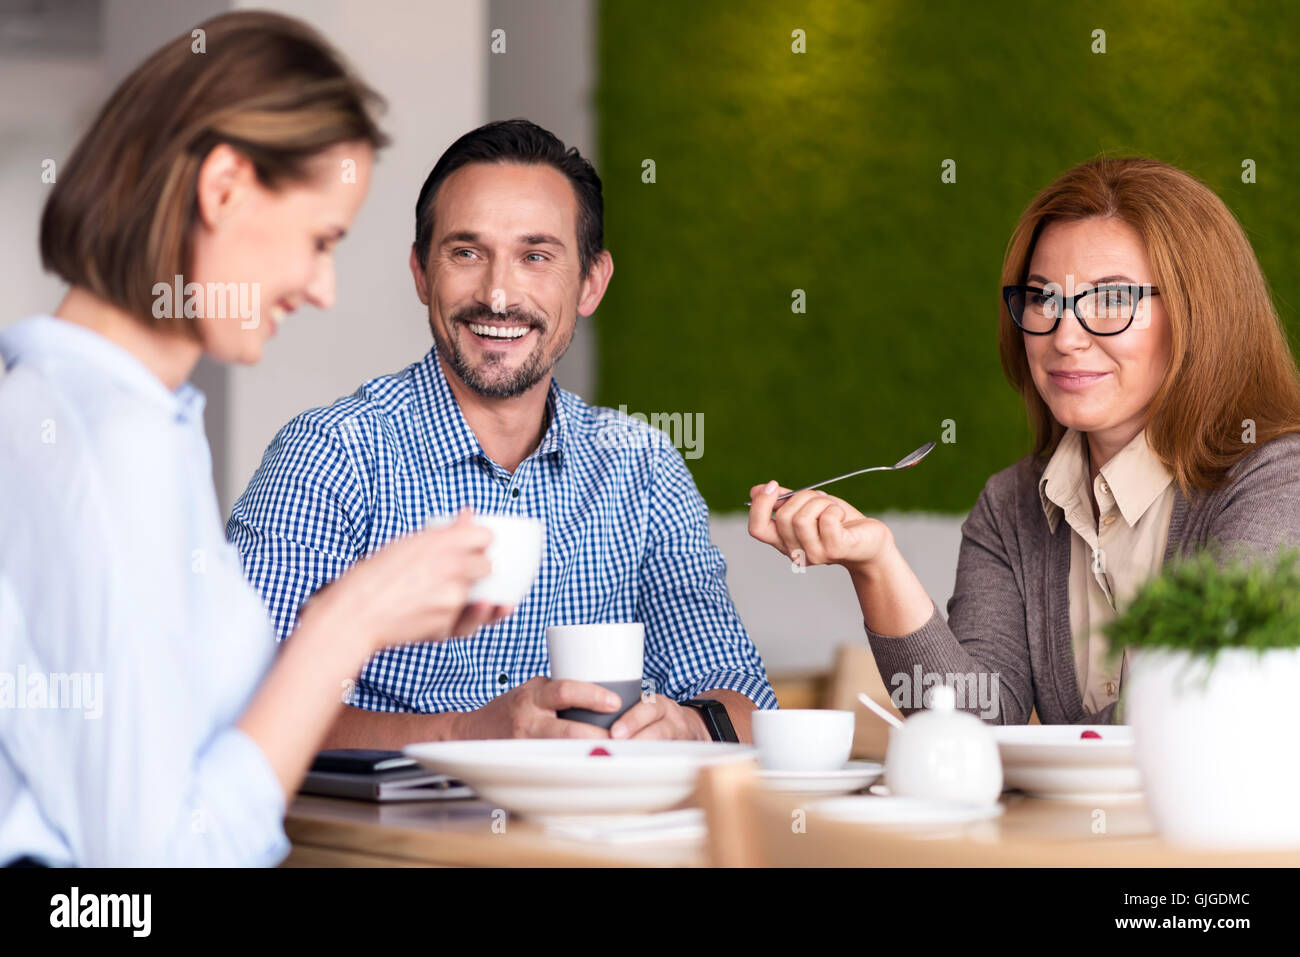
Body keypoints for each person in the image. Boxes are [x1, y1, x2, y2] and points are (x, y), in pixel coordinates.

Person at [0, 12, 509, 867]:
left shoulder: (122, 419)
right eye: (321, 240)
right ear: (225, 185)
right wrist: (346, 623)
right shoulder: (107, 441)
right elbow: (149, 870)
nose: (323, 287)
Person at [227, 120, 776, 747]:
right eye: (466, 253)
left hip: (601, 840)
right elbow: (246, 708)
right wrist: (469, 732)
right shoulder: (331, 457)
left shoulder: (644, 468)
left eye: (535, 257)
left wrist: (687, 725)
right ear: (421, 274)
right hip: (395, 844)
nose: (497, 294)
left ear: (591, 283)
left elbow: (747, 702)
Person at [748, 156, 1300, 724]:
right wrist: (875, 563)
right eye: (1042, 299)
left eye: (1111, 300)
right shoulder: (1011, 505)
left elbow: (1203, 707)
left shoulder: (1276, 482)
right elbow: (970, 726)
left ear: (1199, 313)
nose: (1064, 337)